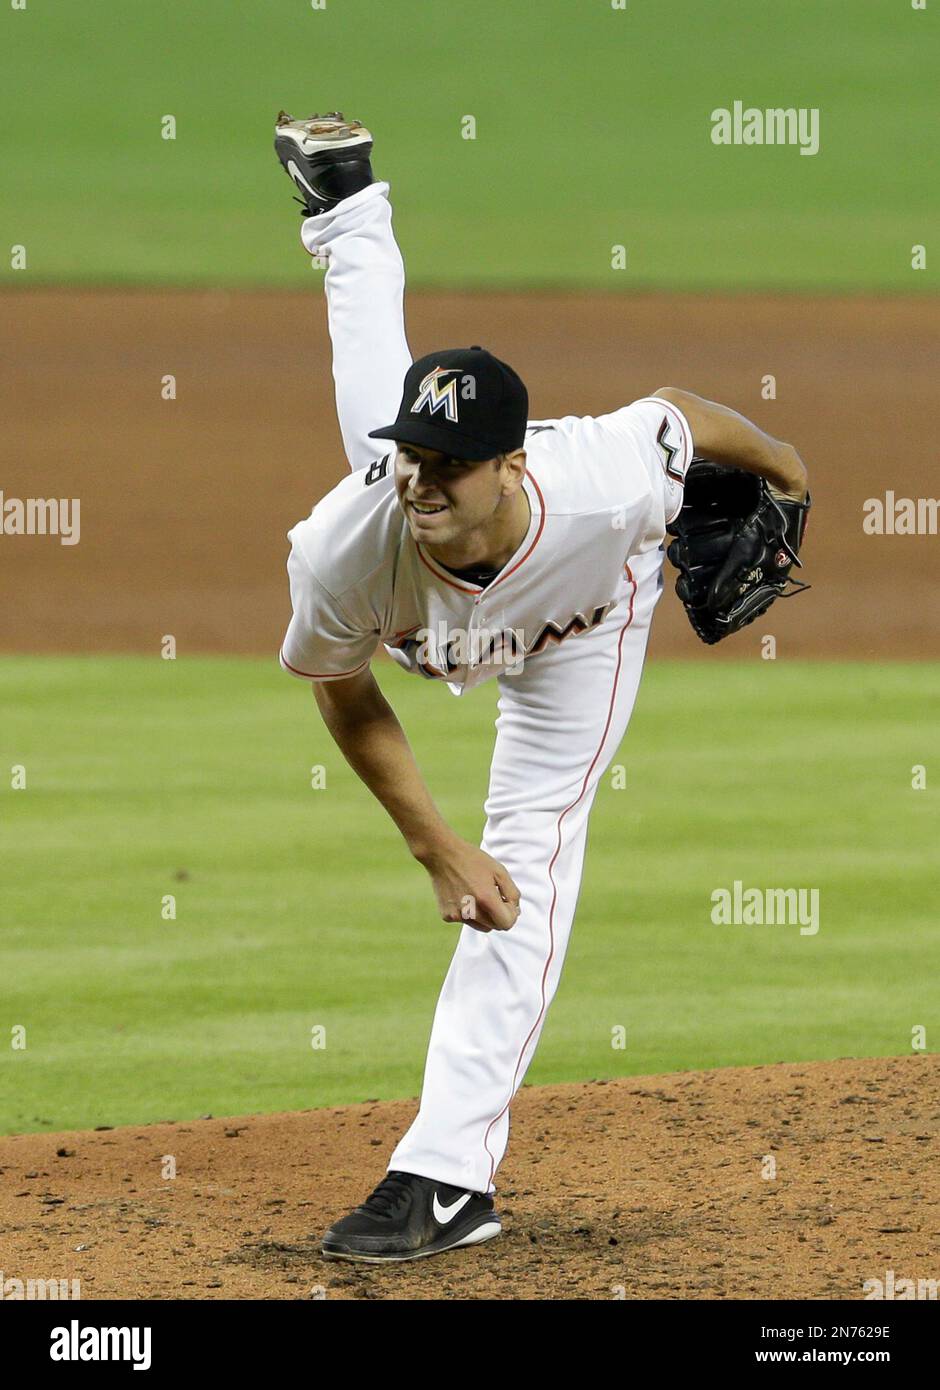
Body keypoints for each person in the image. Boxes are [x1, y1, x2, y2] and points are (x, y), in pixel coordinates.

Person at [273, 112, 810, 1263]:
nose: (424, 479)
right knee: (372, 395)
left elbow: (688, 413)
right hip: (423, 616)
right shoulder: (350, 541)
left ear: (512, 464)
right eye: (414, 456)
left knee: (529, 861)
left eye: (450, 463)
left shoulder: (607, 484)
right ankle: (346, 205)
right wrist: (434, 847)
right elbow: (341, 686)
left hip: (584, 622)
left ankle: (446, 1180)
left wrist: (792, 475)